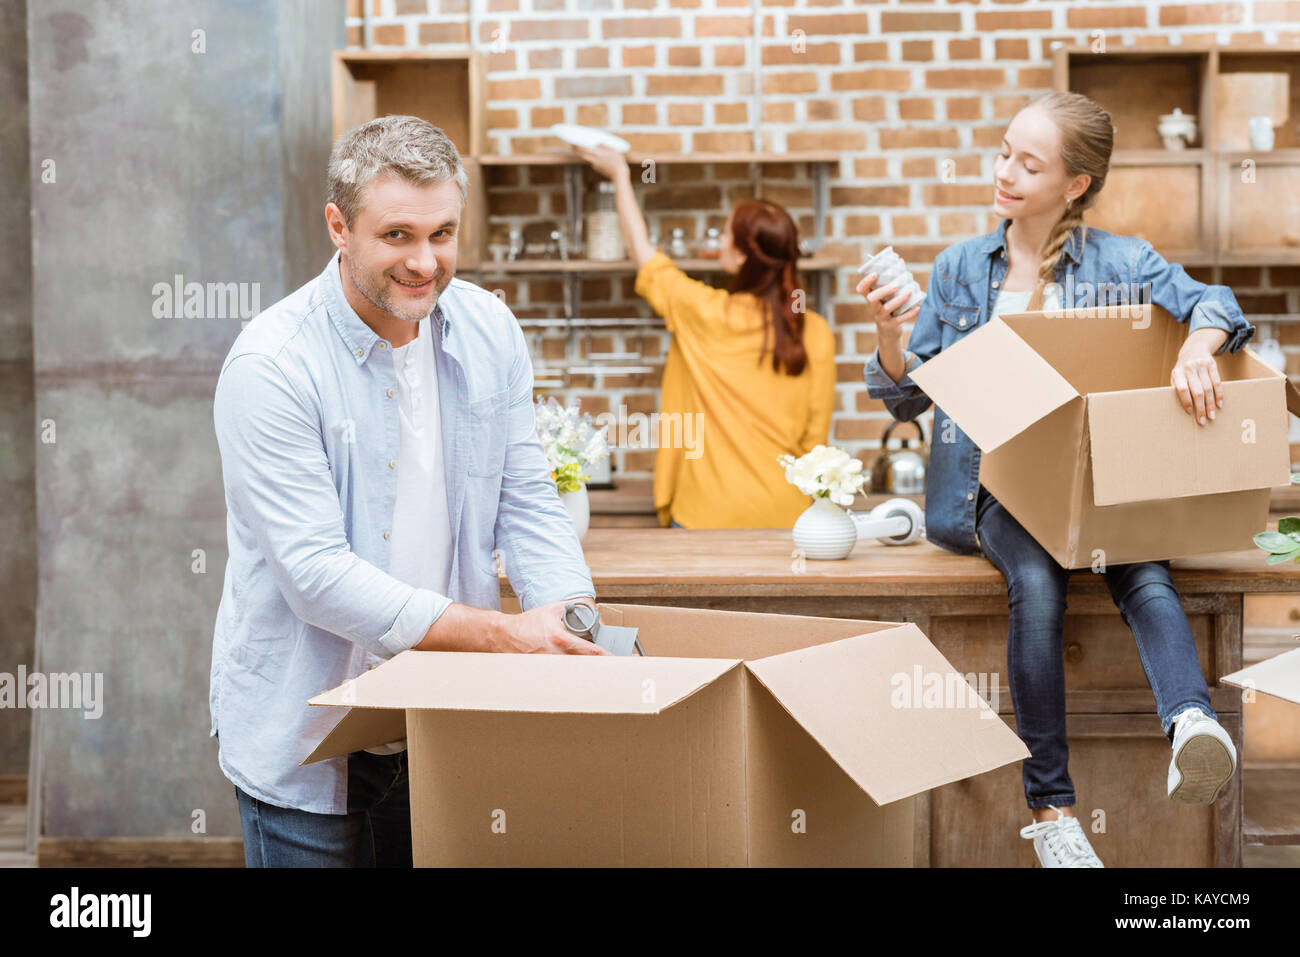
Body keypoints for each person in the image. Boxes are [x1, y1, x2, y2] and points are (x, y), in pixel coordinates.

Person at [861, 91, 1251, 868]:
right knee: (1036, 581)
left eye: (1027, 163)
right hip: (988, 491)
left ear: (1075, 184)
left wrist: (1198, 346)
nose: (1003, 172)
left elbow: (1216, 304)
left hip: (1094, 487)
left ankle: (1192, 724)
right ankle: (1053, 809)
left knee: (1142, 563)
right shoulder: (961, 270)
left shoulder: (1123, 262)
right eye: (1004, 151)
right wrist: (890, 333)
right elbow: (908, 396)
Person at [211, 115, 609, 869]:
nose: (425, 262)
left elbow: (525, 494)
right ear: (339, 226)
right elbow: (317, 576)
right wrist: (508, 635)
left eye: (442, 233)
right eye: (397, 235)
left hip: (439, 722)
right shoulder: (272, 367)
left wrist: (565, 609)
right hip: (306, 737)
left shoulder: (489, 329)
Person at [573, 144, 836, 529]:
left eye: (727, 235)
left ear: (744, 255)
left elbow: (642, 252)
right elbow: (817, 442)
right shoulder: (814, 330)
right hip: (788, 516)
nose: (720, 243)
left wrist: (619, 177)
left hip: (705, 516)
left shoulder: (705, 313)